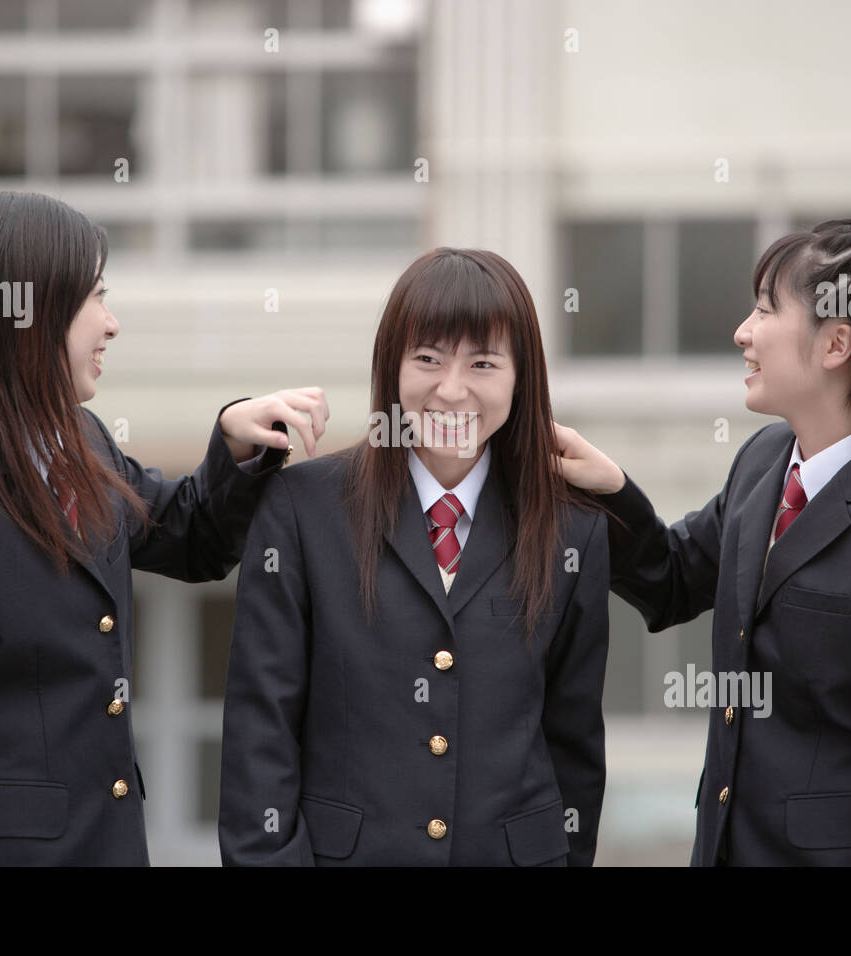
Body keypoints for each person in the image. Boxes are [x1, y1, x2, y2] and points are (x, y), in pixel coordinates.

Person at [0, 191, 328, 865]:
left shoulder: (83, 441)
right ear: (26, 315)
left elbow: (187, 538)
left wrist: (237, 446)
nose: (111, 324)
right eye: (95, 297)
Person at [555, 218, 851, 865]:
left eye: (765, 309)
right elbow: (673, 578)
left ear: (836, 343)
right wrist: (609, 488)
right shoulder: (764, 462)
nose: (743, 332)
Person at [219, 248, 610, 866]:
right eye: (427, 358)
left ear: (521, 377)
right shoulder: (303, 508)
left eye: (482, 362)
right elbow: (259, 732)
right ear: (391, 368)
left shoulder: (573, 528)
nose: (451, 390)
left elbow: (574, 744)